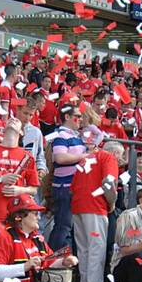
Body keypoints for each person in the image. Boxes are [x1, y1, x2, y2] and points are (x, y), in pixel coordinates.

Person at [0, 198, 77, 282]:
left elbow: (48, 262)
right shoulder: (4, 238)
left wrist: (64, 262)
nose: (39, 218)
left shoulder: (36, 238)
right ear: (18, 217)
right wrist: (24, 266)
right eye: (35, 214)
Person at [70, 140, 121, 282]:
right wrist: (111, 202)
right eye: (121, 155)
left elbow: (72, 187)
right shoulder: (108, 158)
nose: (121, 159)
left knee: (83, 249)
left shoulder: (86, 158)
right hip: (95, 207)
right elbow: (108, 182)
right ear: (116, 152)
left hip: (78, 206)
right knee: (96, 248)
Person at [47, 104, 88, 250]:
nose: (80, 119)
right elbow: (60, 158)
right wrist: (84, 155)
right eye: (77, 116)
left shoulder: (76, 136)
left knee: (70, 228)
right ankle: (53, 260)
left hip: (74, 187)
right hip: (64, 187)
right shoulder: (60, 135)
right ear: (67, 117)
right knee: (63, 226)